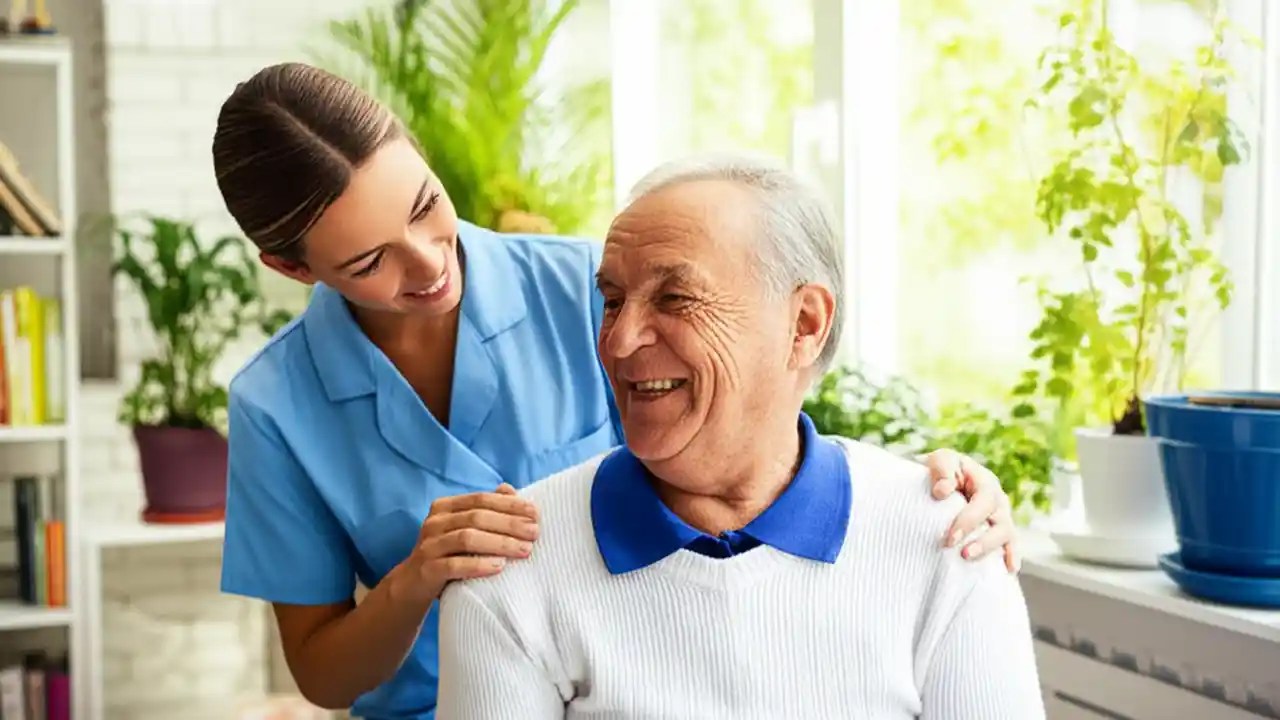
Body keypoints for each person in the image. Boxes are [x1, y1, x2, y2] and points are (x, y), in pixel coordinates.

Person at [210, 62, 1024, 720]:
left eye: (427, 206)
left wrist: (920, 492)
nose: (429, 265)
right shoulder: (276, 403)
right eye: (369, 262)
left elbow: (754, 407)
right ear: (294, 269)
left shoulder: (589, 285)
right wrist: (416, 579)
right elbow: (322, 673)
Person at [435, 154, 1046, 720]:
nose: (619, 342)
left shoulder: (951, 542)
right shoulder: (510, 567)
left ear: (803, 325)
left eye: (675, 297)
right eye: (614, 301)